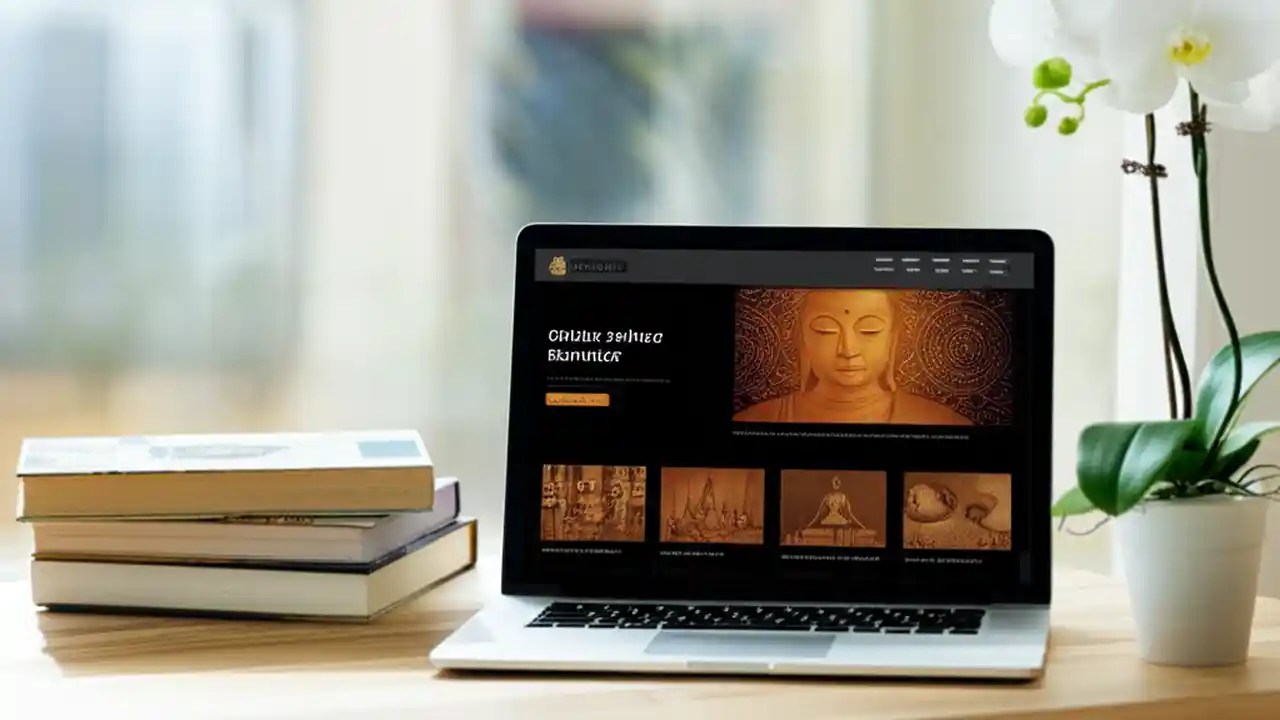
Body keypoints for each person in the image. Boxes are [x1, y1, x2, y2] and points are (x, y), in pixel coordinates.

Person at [734, 289, 971, 425]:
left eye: (869, 330)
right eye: (826, 330)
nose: (848, 350)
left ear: (893, 339)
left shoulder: (942, 423)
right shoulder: (756, 420)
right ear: (802, 339)